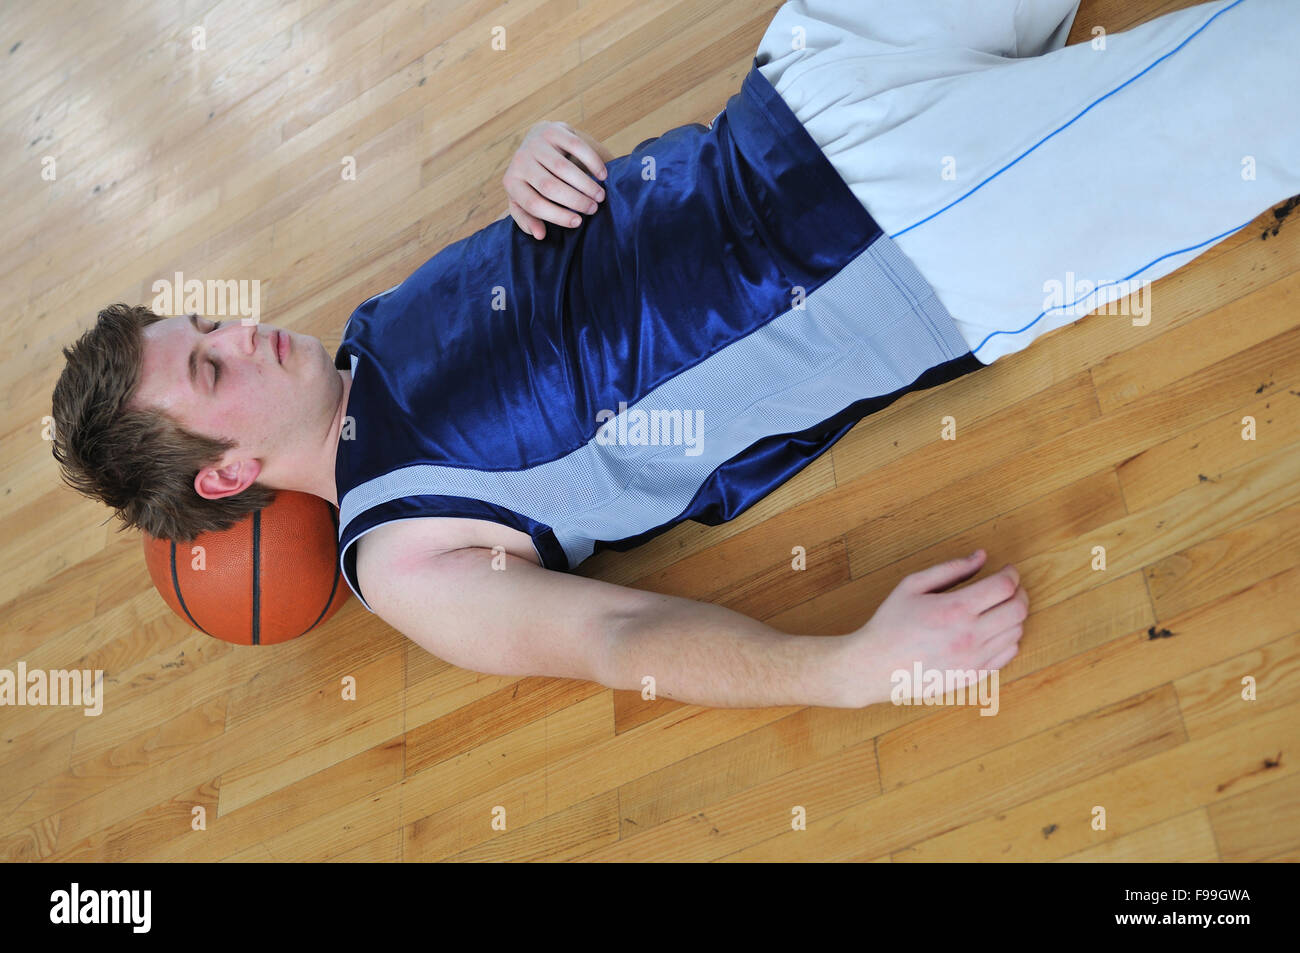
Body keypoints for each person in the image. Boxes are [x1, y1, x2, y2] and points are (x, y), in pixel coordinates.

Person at [51, 0, 1299, 710]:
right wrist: (849, 670)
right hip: (906, 241)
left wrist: (538, 147)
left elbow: (552, 266)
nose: (238, 328)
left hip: (809, 78)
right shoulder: (408, 558)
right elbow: (622, 639)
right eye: (209, 368)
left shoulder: (366, 338)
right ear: (224, 474)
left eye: (202, 322)